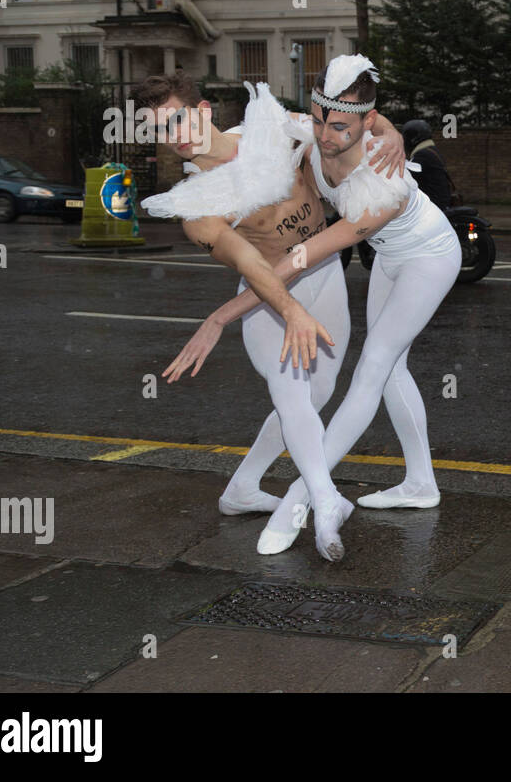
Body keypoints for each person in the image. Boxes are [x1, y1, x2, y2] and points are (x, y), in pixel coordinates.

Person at [163, 55, 461, 557]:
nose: (324, 135)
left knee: (372, 369)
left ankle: (304, 499)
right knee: (388, 372)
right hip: (387, 260)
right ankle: (419, 483)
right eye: (320, 120)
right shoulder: (308, 131)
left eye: (339, 126)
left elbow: (301, 258)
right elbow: (299, 130)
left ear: (365, 123)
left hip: (430, 256)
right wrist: (389, 127)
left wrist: (221, 316)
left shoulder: (385, 182)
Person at [402, 119, 453, 211]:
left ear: (412, 139)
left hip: (433, 206)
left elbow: (407, 178)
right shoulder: (431, 151)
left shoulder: (422, 155)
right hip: (439, 202)